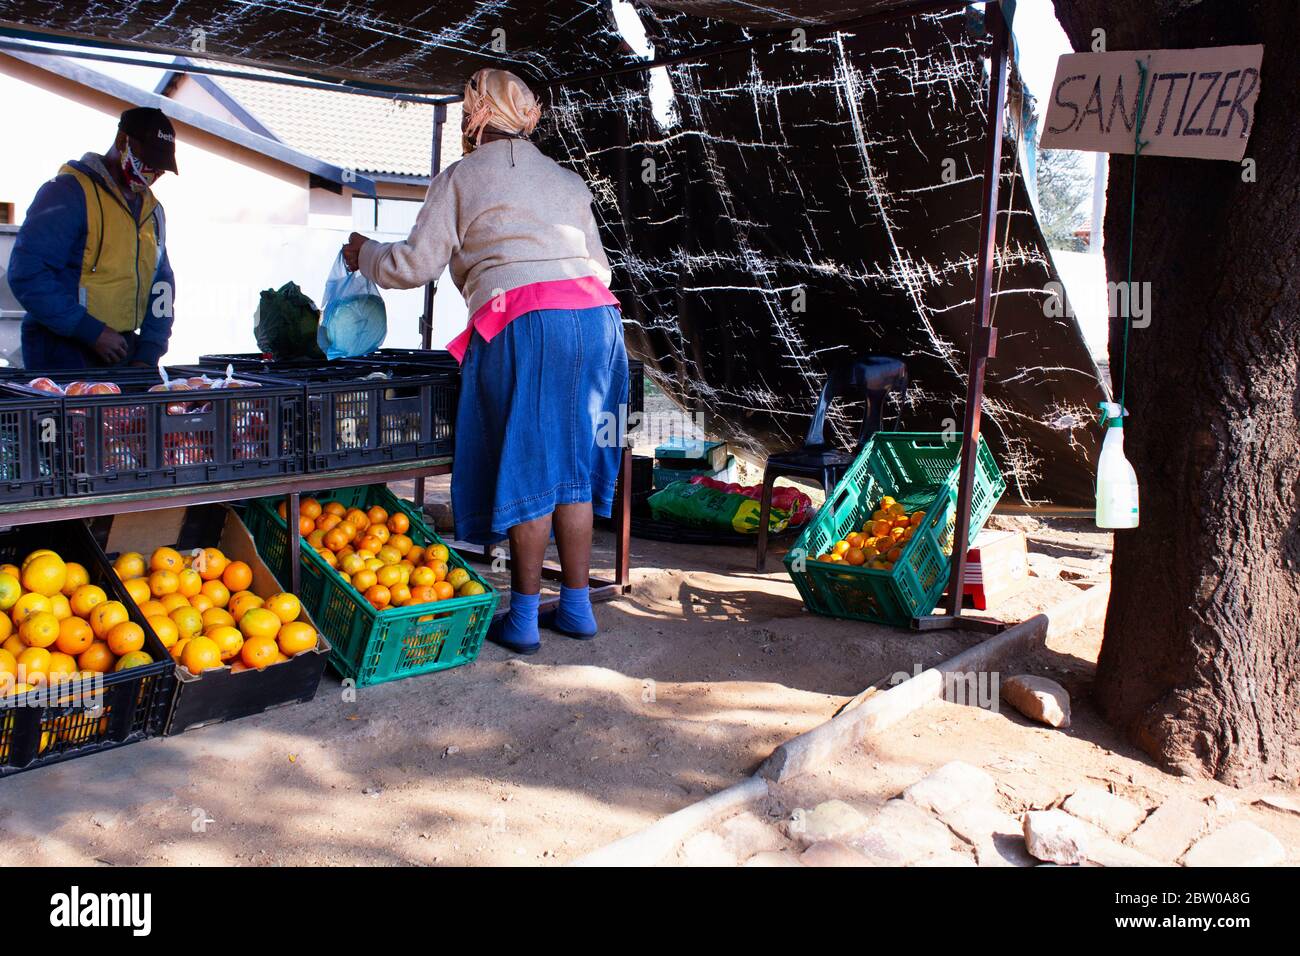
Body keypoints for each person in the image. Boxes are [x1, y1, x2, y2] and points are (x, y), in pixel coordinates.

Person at [342, 68, 626, 655]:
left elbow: (412, 265)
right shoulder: (569, 180)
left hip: (528, 323)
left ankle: (522, 618)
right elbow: (596, 266)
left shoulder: (462, 177)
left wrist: (363, 252)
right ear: (525, 114)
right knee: (571, 466)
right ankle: (575, 608)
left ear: (475, 114)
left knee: (530, 465)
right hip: (600, 324)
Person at [8, 106, 178, 369]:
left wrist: (149, 351)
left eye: (159, 169)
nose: (152, 174)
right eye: (148, 162)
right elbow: (28, 273)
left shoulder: (153, 212)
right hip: (62, 351)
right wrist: (91, 331)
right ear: (123, 141)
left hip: (123, 353)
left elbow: (161, 284)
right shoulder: (67, 193)